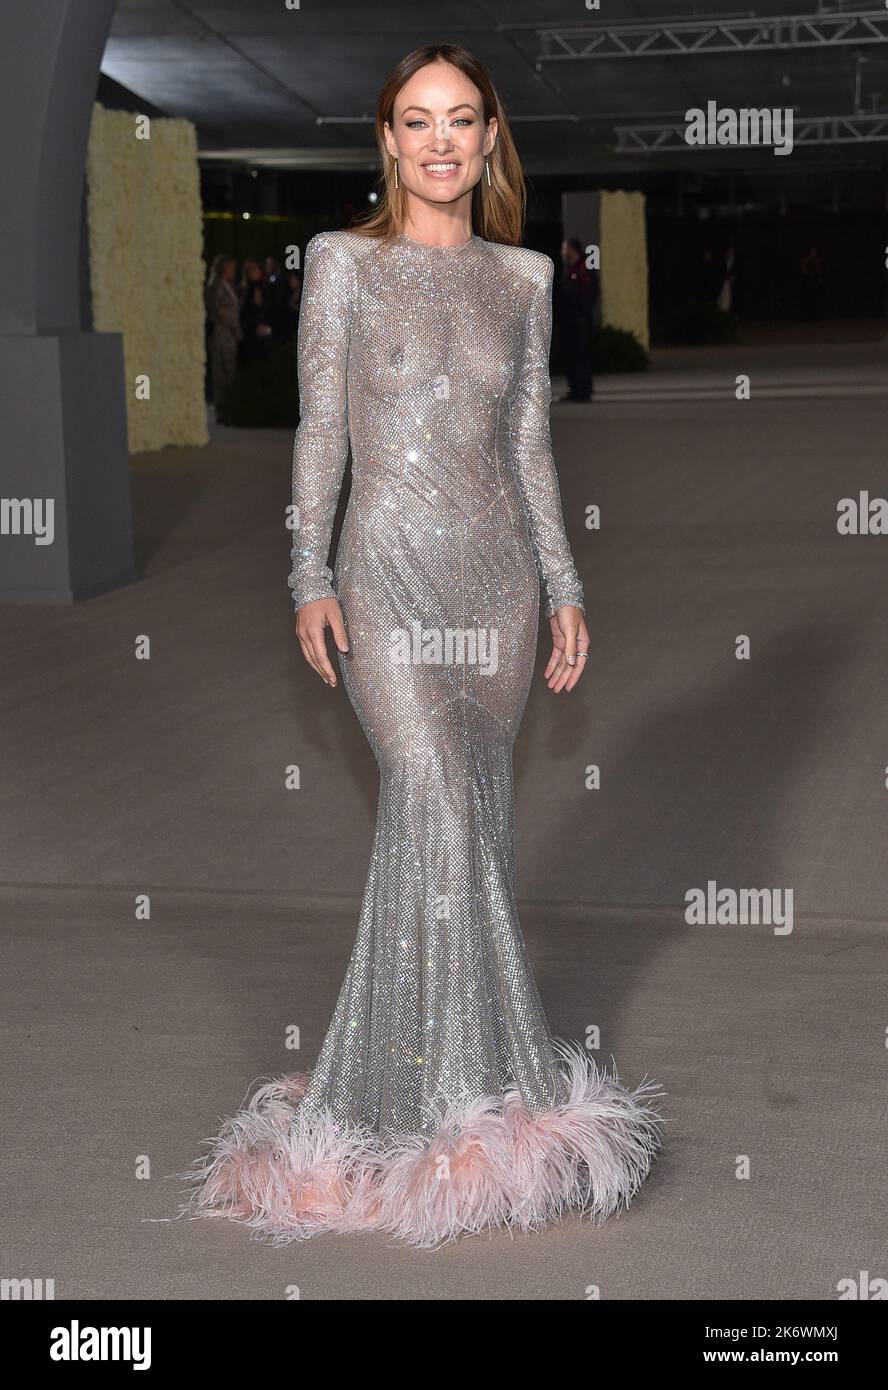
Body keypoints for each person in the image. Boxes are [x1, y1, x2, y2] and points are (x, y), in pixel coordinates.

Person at [184, 43, 663, 1248]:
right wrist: (304, 572)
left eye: (462, 120)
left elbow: (530, 451)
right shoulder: (344, 265)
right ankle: (469, 1101)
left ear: (489, 137)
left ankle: (421, 1085)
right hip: (384, 577)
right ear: (386, 142)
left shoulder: (522, 278)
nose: (440, 141)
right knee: (437, 794)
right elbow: (322, 433)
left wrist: (564, 582)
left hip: (496, 583)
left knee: (472, 819)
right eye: (416, 121)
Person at [557, 236, 599, 401]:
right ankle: (576, 389)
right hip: (571, 320)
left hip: (578, 321)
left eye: (564, 248)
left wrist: (581, 313)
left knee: (579, 356)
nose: (562, 252)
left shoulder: (582, 268)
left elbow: (587, 293)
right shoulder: (572, 269)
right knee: (572, 356)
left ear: (572, 250)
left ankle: (582, 391)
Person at [204, 254, 240, 411]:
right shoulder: (217, 286)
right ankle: (222, 406)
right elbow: (218, 310)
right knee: (222, 371)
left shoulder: (227, 285)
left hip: (229, 332)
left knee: (228, 369)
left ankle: (227, 405)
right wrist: (233, 325)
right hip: (222, 331)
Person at [239, 260, 275, 362]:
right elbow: (243, 315)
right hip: (250, 336)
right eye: (250, 270)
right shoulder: (244, 292)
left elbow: (274, 310)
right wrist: (254, 328)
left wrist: (269, 327)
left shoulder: (269, 289)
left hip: (268, 334)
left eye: (255, 269)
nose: (253, 272)